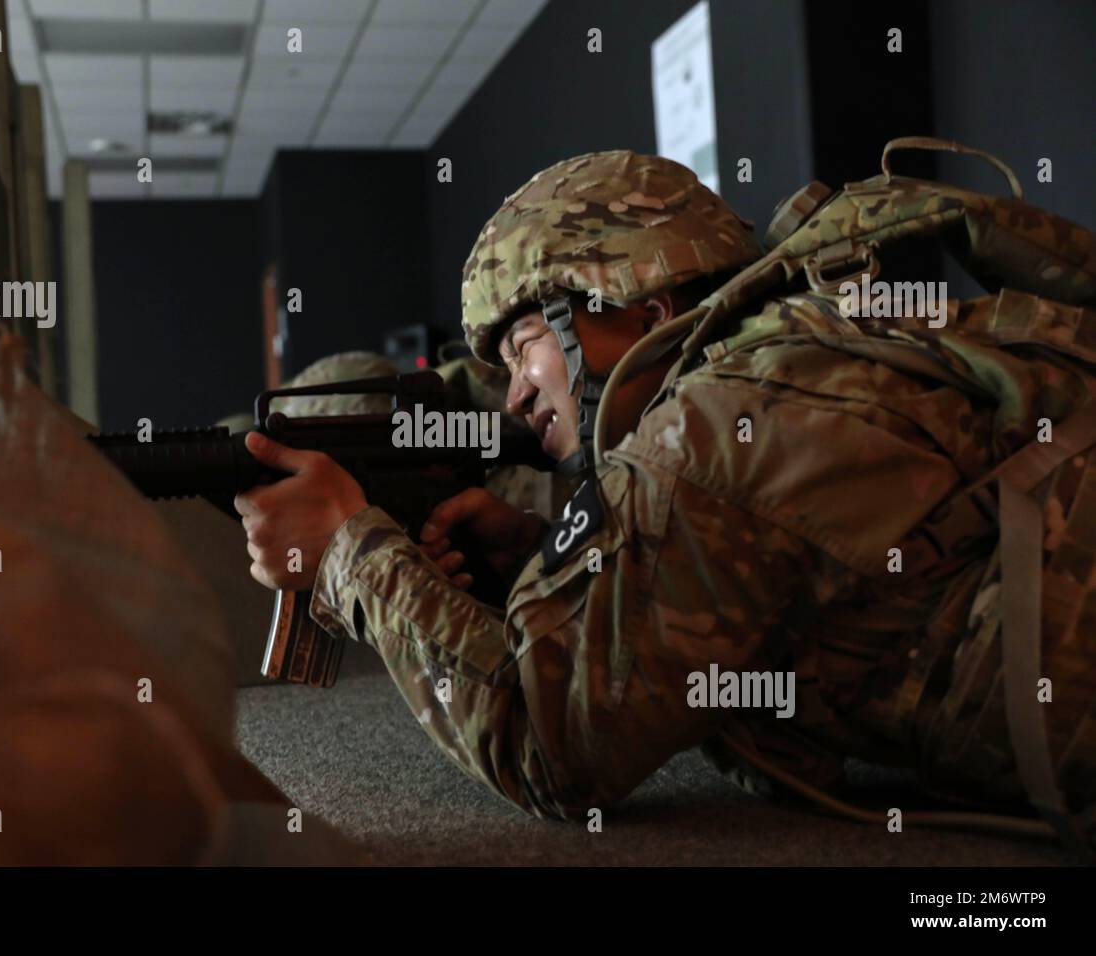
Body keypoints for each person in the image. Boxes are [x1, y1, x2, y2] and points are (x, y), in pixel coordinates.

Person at [232, 148, 1096, 835]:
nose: (520, 394)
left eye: (526, 343)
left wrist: (349, 549)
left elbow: (553, 750)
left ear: (640, 307)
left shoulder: (716, 429)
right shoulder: (788, 351)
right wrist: (539, 553)